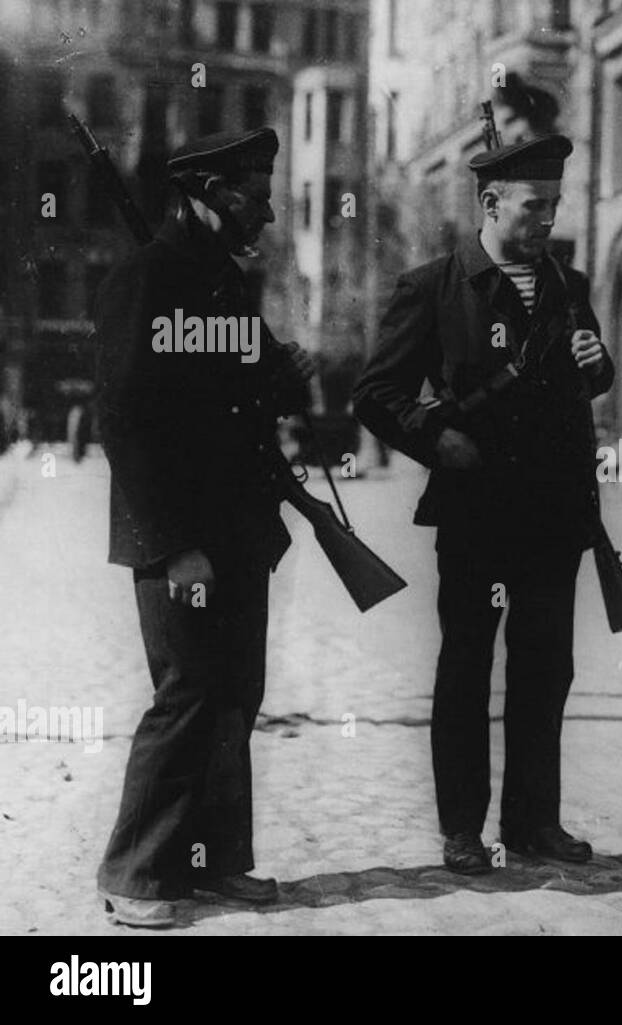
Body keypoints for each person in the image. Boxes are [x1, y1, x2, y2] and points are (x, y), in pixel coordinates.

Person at [352, 134, 613, 874]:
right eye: (535, 206)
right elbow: (376, 393)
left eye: (555, 204)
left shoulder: (570, 285)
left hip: (553, 517)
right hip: (476, 516)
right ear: (491, 204)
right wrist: (437, 437)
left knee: (545, 668)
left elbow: (574, 386)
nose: (548, 219)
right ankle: (463, 828)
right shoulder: (433, 286)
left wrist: (599, 368)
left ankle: (534, 822)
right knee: (466, 669)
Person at [93, 127, 314, 928]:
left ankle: (215, 860)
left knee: (233, 697)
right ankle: (136, 874)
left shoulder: (221, 281)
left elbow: (238, 398)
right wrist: (172, 543)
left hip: (237, 530)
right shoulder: (147, 277)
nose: (266, 214)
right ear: (214, 194)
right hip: (181, 538)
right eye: (255, 197)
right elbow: (125, 422)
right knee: (186, 694)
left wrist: (282, 378)